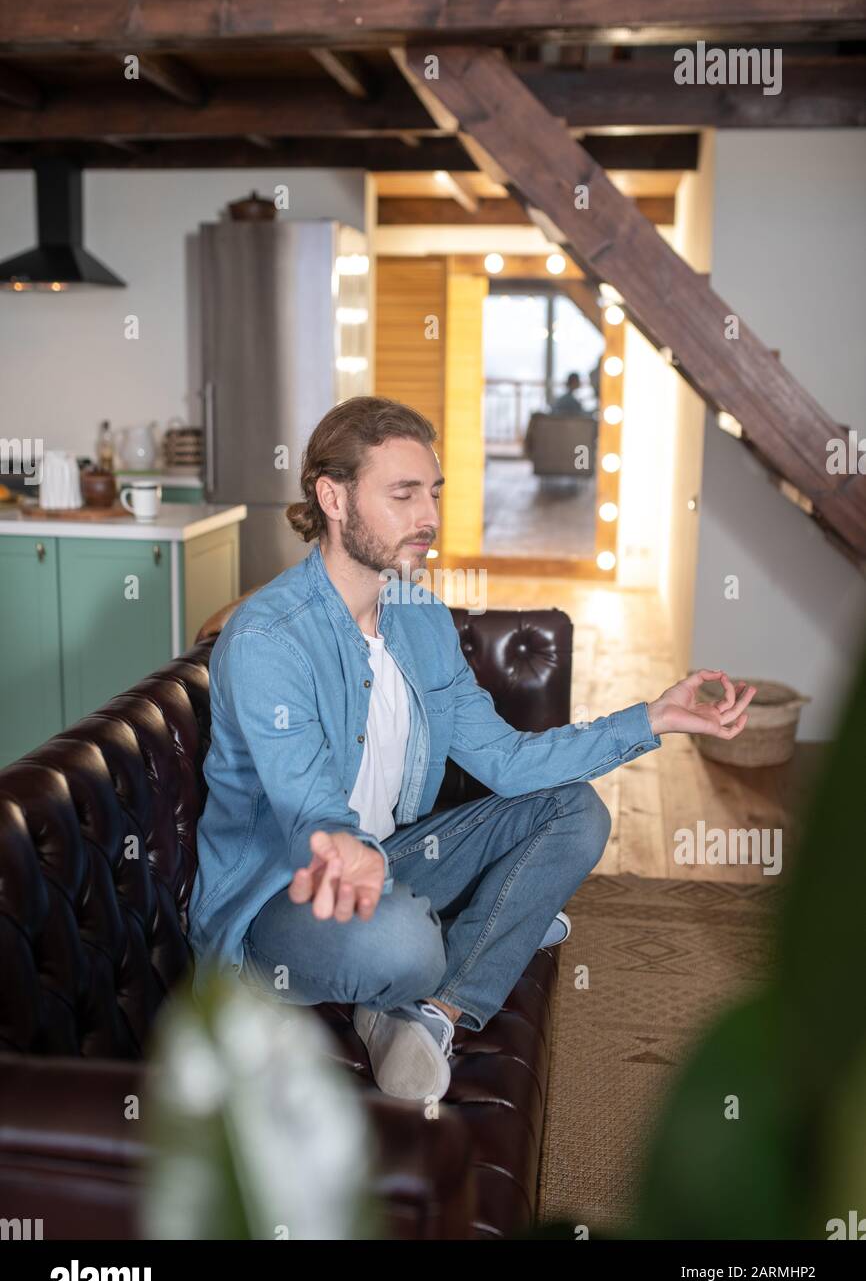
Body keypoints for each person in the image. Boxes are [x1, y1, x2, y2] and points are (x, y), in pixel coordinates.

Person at [188, 396, 755, 1102]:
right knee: (403, 944)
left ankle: (436, 1011)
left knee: (576, 812)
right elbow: (307, 804)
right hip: (288, 900)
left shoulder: (420, 617)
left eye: (433, 492)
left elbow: (508, 762)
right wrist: (340, 841)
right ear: (333, 497)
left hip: (392, 862)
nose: (428, 516)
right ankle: (483, 931)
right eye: (402, 494)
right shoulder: (272, 637)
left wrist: (652, 717)